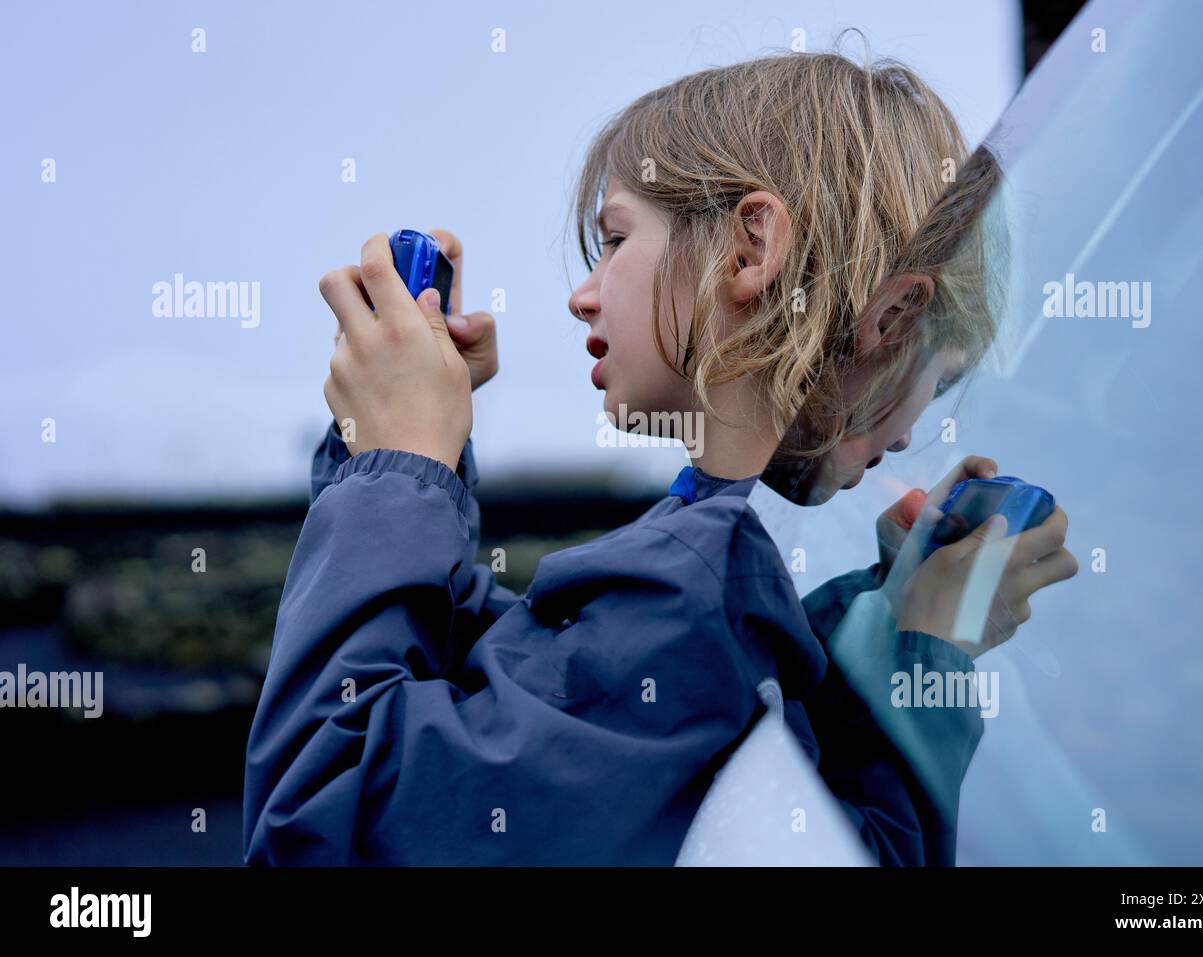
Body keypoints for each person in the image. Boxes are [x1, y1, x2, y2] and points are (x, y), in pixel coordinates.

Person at [243, 51, 1074, 866]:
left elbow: (325, 818)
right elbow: (496, 677)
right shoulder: (700, 579)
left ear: (751, 252)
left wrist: (398, 465)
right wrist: (406, 453)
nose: (584, 292)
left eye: (615, 238)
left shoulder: (694, 593)